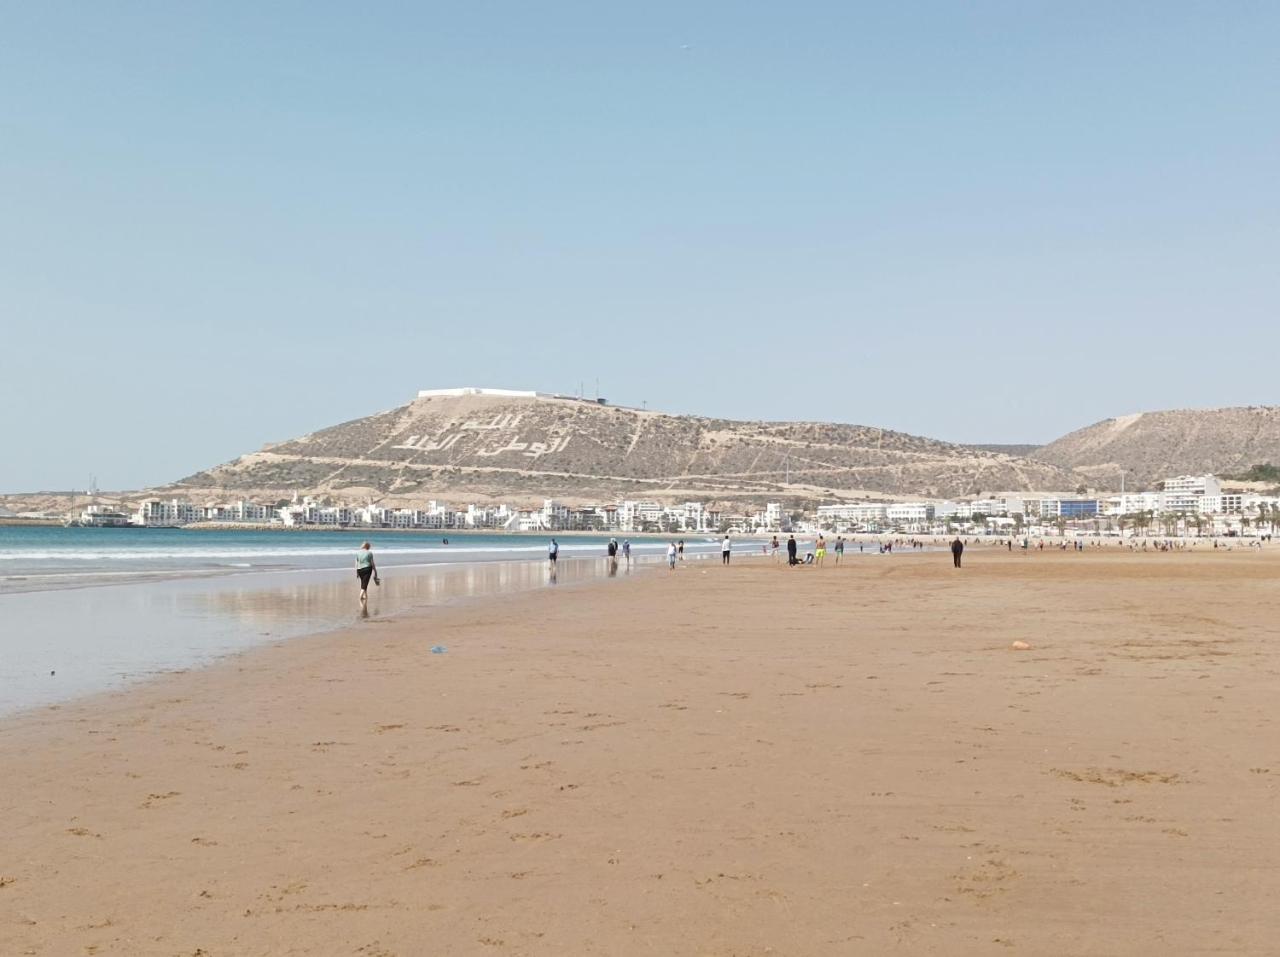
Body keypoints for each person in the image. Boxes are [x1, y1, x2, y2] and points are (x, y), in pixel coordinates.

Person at [355, 541, 379, 606]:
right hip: (367, 568)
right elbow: (372, 563)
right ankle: (360, 597)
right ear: (367, 546)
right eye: (369, 546)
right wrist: (375, 571)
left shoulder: (358, 553)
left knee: (363, 582)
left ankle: (365, 597)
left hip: (359, 569)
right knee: (365, 583)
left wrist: (357, 572)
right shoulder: (369, 553)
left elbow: (356, 563)